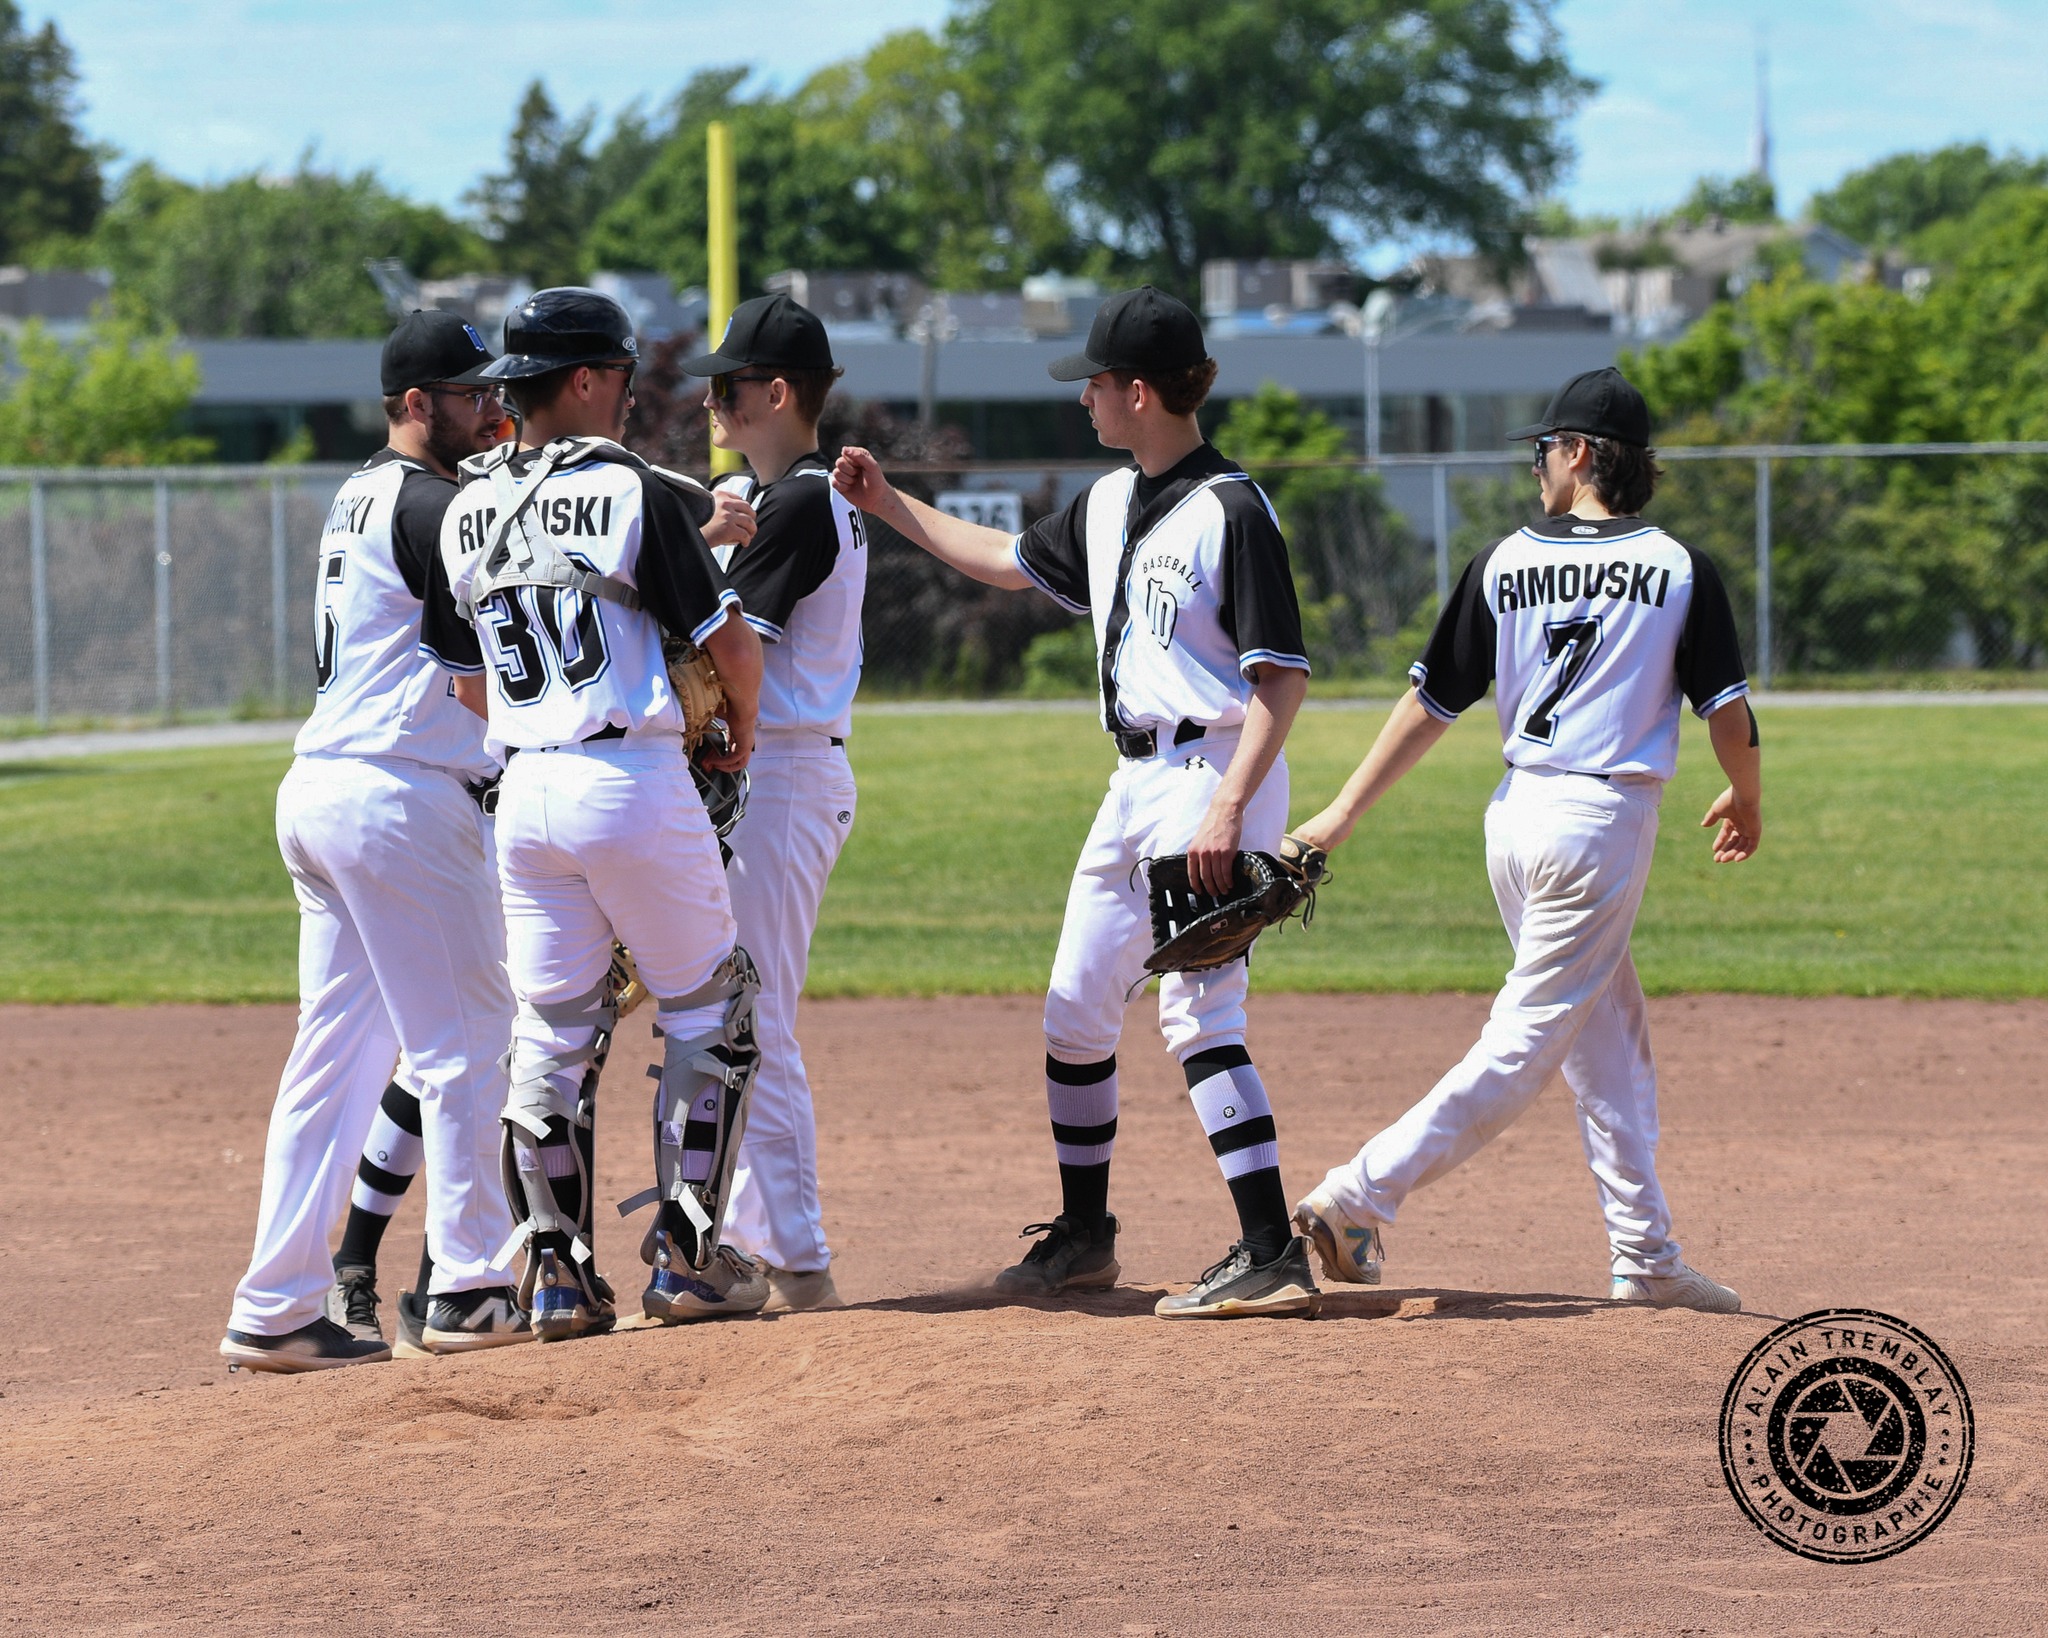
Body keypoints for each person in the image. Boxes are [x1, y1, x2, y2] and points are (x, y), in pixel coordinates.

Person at [834, 286, 1321, 1319]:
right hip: (1133, 780)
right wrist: (889, 504)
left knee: (1199, 1010)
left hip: (1213, 769)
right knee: (1074, 1008)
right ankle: (1085, 1234)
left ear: (1138, 391)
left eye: (1094, 383)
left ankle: (1269, 1247)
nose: (1083, 399)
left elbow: (1280, 679)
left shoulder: (1233, 510)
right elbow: (1006, 564)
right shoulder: (1107, 502)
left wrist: (1230, 808)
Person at [1289, 366, 1760, 1313]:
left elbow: (1429, 704)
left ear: (1581, 454)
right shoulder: (1678, 568)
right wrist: (1748, 795)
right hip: (1599, 826)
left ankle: (1646, 1255)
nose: (1537, 465)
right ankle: (1357, 1194)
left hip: (1515, 819)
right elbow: (1726, 711)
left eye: (1545, 448)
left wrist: (1342, 810)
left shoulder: (1502, 562)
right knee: (1525, 1043)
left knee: (1607, 1034)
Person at [424, 286, 771, 1341]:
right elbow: (732, 645)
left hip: (524, 796)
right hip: (629, 779)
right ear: (583, 379)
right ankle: (689, 1259)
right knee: (712, 1009)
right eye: (617, 375)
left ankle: (555, 1277)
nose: (624, 393)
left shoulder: (465, 505)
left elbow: (467, 684)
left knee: (552, 1030)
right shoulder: (630, 489)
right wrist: (739, 728)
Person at [221, 310, 526, 1373]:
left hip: (324, 790)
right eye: (469, 394)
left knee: (336, 1061)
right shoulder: (435, 505)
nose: (490, 409)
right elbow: (495, 640)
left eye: (494, 392)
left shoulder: (362, 492)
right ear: (414, 404)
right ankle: (471, 1286)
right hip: (400, 795)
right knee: (467, 1043)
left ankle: (276, 1306)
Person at [681, 293, 864, 1314]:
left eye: (731, 385)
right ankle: (755, 1241)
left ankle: (798, 1260)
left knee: (756, 1014)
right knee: (738, 1010)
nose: (713, 400)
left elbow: (724, 644)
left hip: (784, 772)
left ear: (779, 392)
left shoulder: (797, 501)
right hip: (765, 772)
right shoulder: (762, 496)